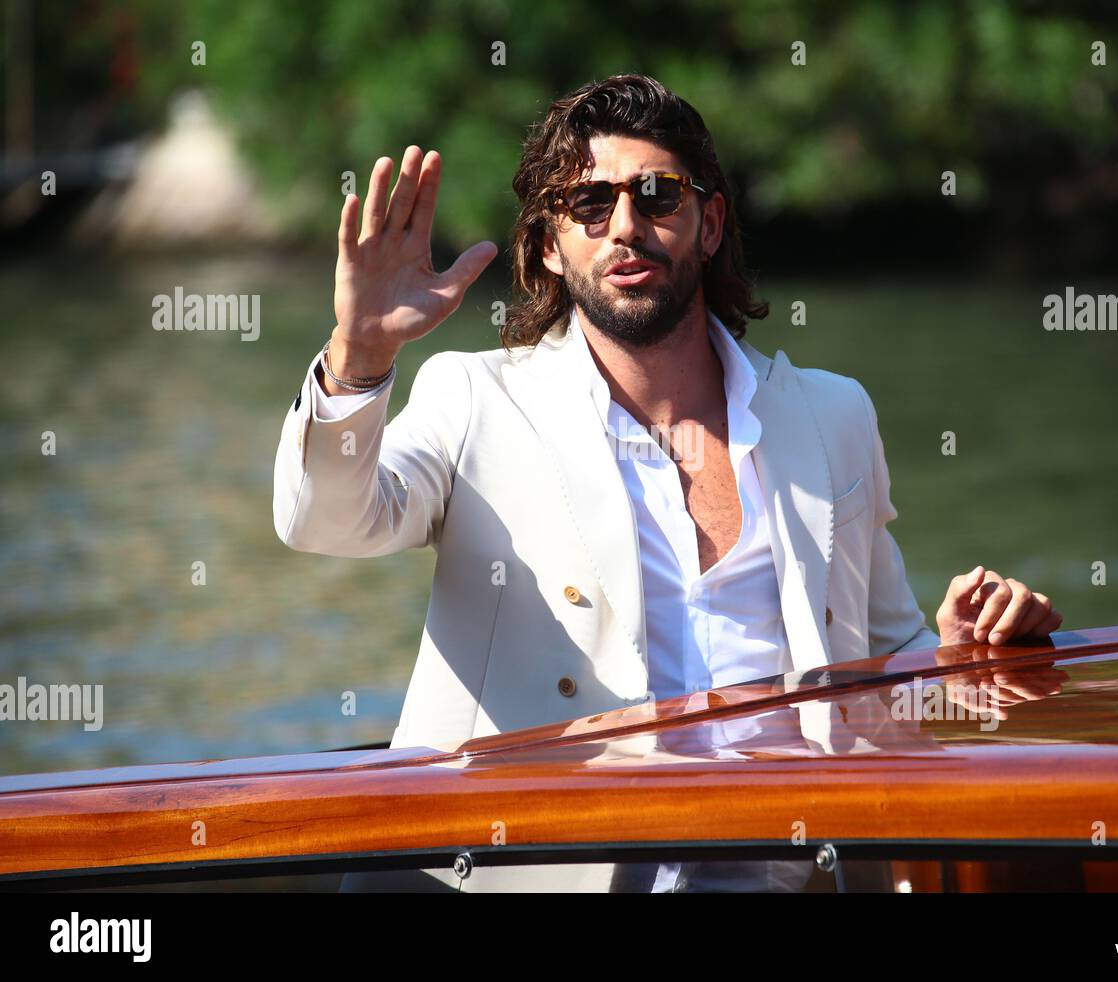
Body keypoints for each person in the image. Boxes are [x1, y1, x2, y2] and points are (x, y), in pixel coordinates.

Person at [273, 73, 1062, 892]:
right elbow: (325, 523)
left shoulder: (833, 416)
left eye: (657, 194)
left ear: (709, 222)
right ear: (549, 243)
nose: (624, 226)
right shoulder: (476, 399)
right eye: (589, 205)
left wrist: (959, 662)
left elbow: (882, 685)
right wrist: (358, 360)